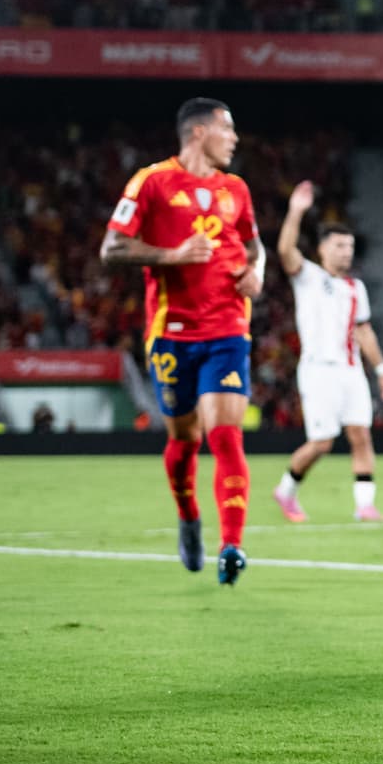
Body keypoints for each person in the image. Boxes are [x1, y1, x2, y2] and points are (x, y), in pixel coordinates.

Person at [99, 98, 265, 586]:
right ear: (198, 132)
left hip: (228, 330)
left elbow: (254, 246)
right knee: (184, 439)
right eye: (226, 128)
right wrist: (171, 254)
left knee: (225, 434)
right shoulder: (151, 182)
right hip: (171, 334)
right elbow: (111, 248)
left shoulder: (237, 189)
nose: (234, 138)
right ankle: (189, 516)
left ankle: (231, 545)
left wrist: (256, 274)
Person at [272, 181, 383, 523]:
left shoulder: (357, 288)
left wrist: (382, 370)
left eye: (350, 246)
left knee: (360, 436)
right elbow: (285, 252)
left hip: (351, 371)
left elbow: (364, 330)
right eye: (339, 245)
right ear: (322, 249)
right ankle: (286, 491)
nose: (346, 252)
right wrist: (296, 211)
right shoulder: (308, 277)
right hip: (318, 369)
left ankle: (364, 506)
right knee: (322, 443)